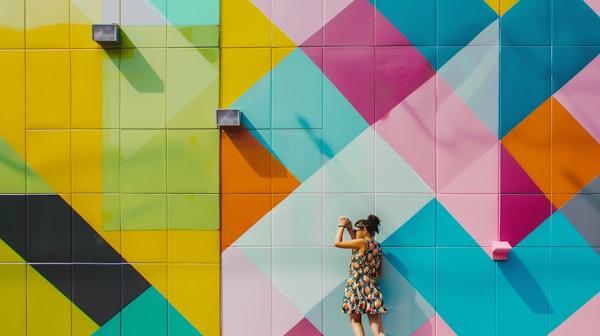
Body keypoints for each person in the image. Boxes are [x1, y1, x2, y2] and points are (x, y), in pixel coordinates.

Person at [334, 214, 387, 336]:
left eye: (357, 231)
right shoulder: (378, 247)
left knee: (355, 321)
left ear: (364, 230)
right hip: (372, 288)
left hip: (356, 286)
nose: (355, 233)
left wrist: (341, 226)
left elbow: (337, 243)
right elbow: (379, 273)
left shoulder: (361, 243)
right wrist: (350, 229)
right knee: (378, 331)